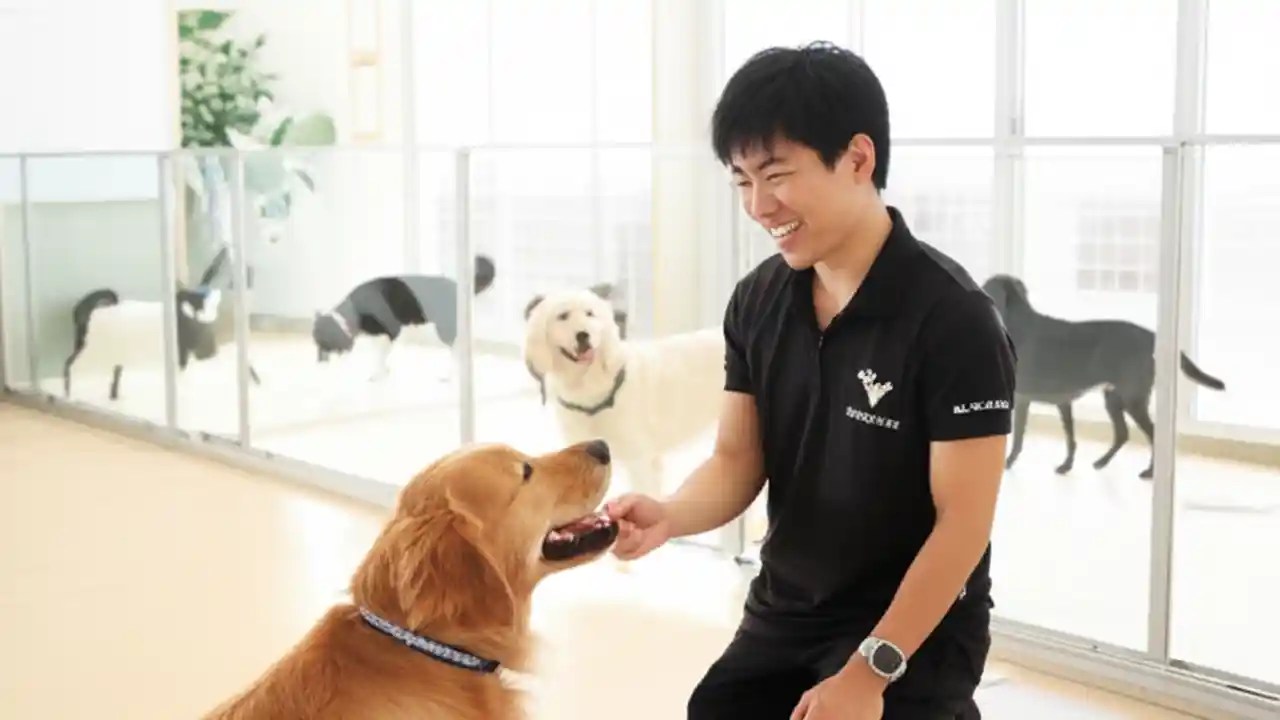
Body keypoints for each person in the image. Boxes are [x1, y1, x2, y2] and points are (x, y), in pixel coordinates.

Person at [604, 42, 1016, 720]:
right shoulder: (757, 300)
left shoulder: (955, 321)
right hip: (789, 608)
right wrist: (670, 514)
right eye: (741, 180)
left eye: (776, 174)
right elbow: (737, 460)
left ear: (858, 159)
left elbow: (963, 525)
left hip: (913, 626)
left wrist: (869, 672)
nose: (759, 205)